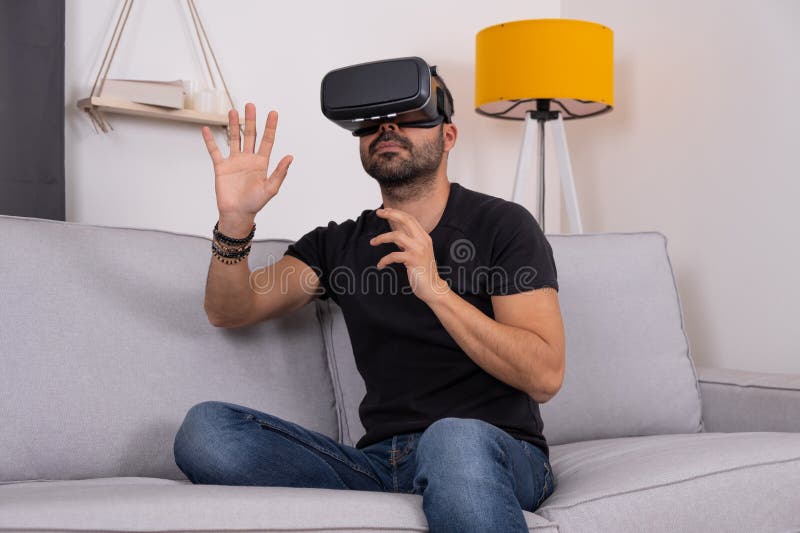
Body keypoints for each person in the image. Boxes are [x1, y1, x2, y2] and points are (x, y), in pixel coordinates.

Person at [173, 66, 565, 532]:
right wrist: (235, 223)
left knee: (452, 438)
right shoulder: (337, 245)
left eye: (412, 114)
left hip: (497, 451)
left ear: (449, 135)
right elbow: (230, 310)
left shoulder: (503, 226)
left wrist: (434, 289)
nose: (389, 127)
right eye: (372, 122)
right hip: (381, 464)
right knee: (207, 432)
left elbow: (544, 375)